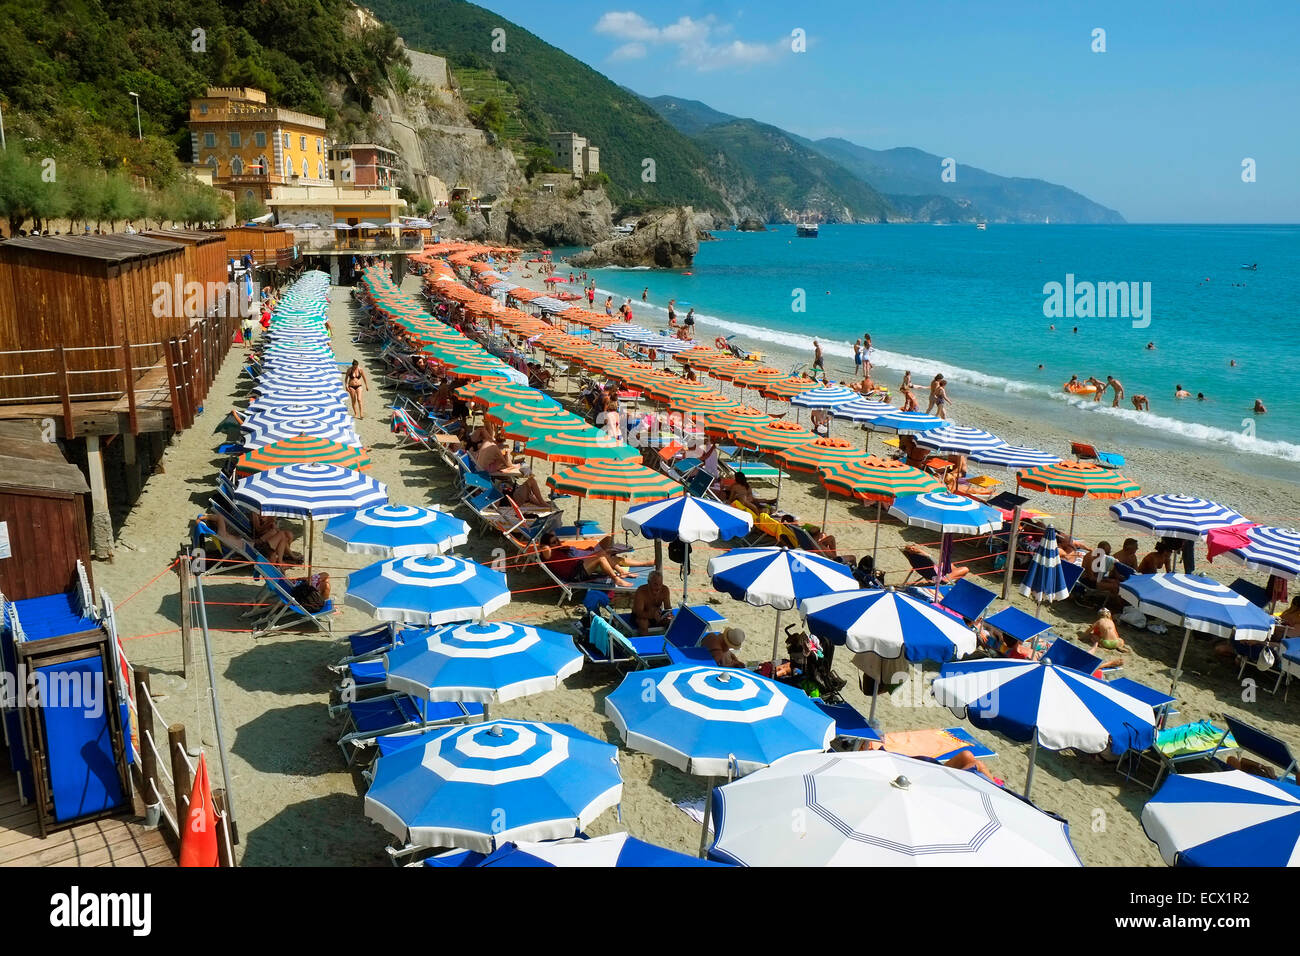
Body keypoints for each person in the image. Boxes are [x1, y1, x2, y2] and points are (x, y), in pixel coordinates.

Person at [632, 570, 673, 635]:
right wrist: (652, 615)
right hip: (640, 616)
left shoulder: (665, 590)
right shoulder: (641, 591)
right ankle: (646, 642)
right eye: (655, 584)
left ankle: (669, 641)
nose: (658, 587)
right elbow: (639, 613)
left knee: (671, 620)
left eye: (660, 584)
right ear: (648, 582)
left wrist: (669, 616)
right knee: (643, 623)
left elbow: (668, 608)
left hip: (656, 615)